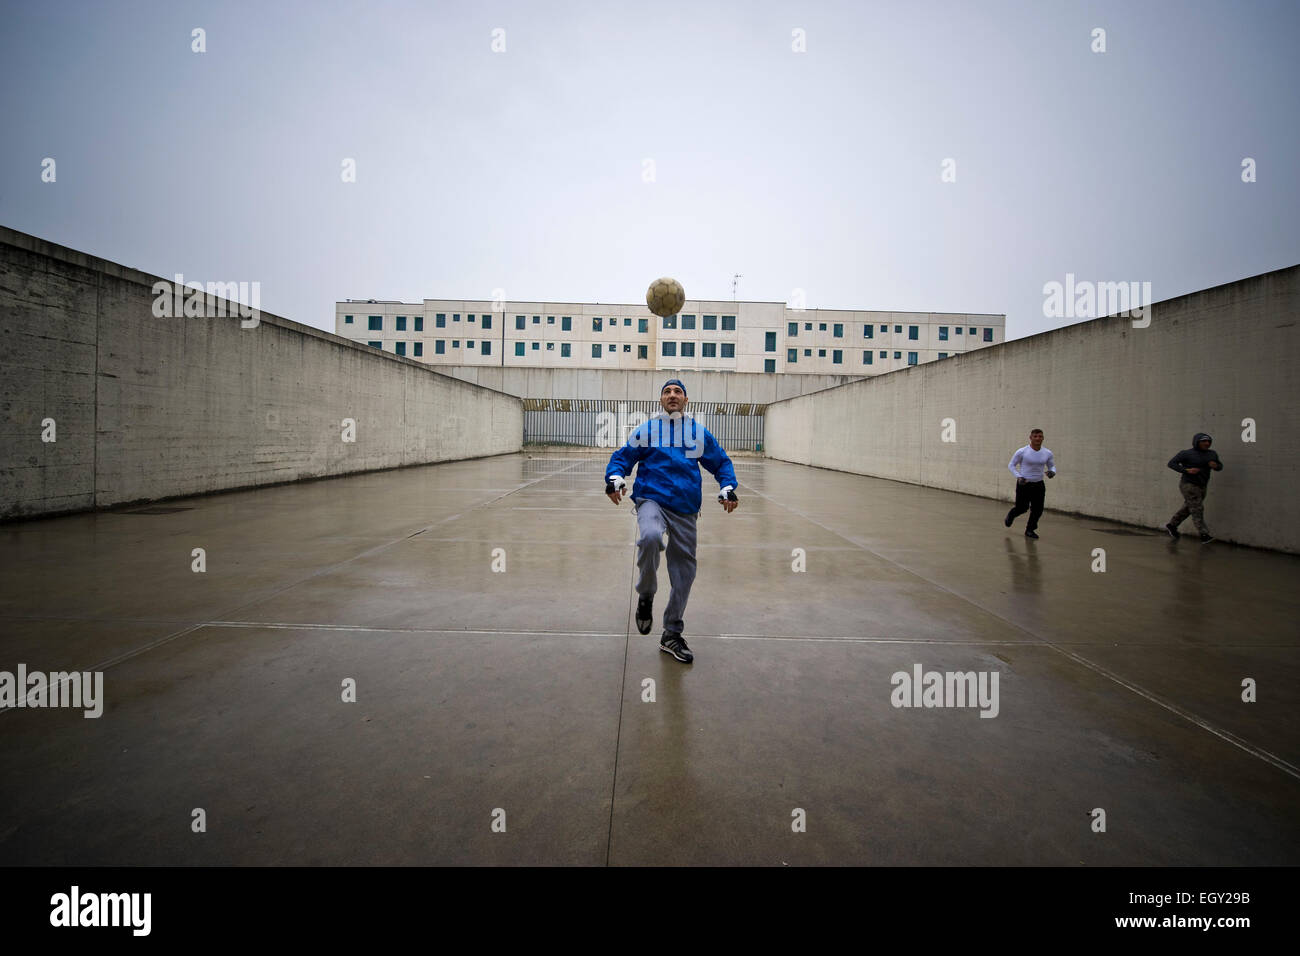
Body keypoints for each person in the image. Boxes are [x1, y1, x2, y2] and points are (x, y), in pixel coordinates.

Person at [604, 379, 739, 663]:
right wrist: (615, 478)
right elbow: (622, 458)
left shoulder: (697, 433)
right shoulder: (648, 430)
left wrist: (727, 487)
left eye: (678, 391)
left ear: (686, 400)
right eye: (667, 392)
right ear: (661, 400)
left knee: (684, 572)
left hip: (685, 508)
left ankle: (672, 633)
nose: (672, 395)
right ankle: (646, 595)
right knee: (650, 536)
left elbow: (721, 463)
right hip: (651, 500)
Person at [1165, 433, 1223, 543]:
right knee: (1197, 508)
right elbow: (1171, 463)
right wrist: (1186, 470)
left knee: (1189, 507)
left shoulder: (1212, 454)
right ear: (1197, 442)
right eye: (1203, 441)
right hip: (1189, 484)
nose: (1207, 443)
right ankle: (1204, 534)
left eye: (1208, 441)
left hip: (1203, 485)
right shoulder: (1186, 453)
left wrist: (1216, 466)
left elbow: (1220, 466)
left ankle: (1172, 525)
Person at [1004, 428, 1056, 539]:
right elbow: (1011, 465)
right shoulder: (1022, 451)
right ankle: (1012, 514)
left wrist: (1052, 472)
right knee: (1022, 508)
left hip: (1039, 484)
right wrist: (1019, 476)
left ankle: (1030, 529)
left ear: (1043, 438)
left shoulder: (1047, 453)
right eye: (1035, 436)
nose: (1038, 438)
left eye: (1040, 436)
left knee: (1038, 509)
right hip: (1024, 484)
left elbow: (1052, 466)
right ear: (1030, 438)